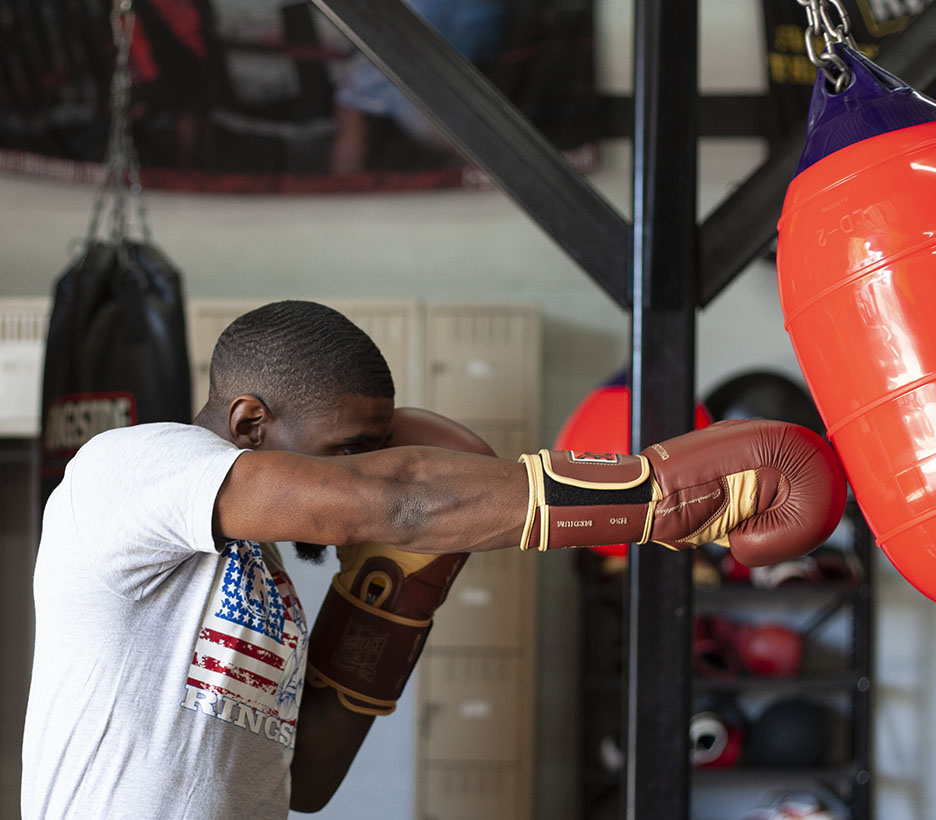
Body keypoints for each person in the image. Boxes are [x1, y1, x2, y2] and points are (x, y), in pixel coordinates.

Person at [21, 300, 846, 819]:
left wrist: (390, 607)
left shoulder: (263, 585)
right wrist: (656, 496)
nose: (361, 473)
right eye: (350, 451)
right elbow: (400, 497)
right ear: (248, 423)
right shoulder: (129, 465)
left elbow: (307, 779)